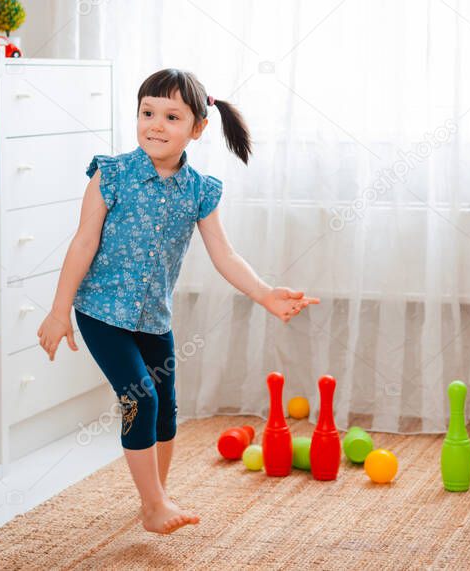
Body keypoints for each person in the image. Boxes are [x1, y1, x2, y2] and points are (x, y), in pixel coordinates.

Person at [37, 68, 319, 534]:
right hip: (101, 311)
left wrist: (265, 294)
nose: (155, 124)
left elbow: (224, 255)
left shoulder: (198, 191)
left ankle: (156, 497)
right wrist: (58, 310)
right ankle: (153, 506)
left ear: (198, 128)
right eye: (147, 112)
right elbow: (83, 242)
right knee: (139, 399)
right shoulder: (111, 175)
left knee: (165, 405)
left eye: (171, 116)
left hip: (153, 319)